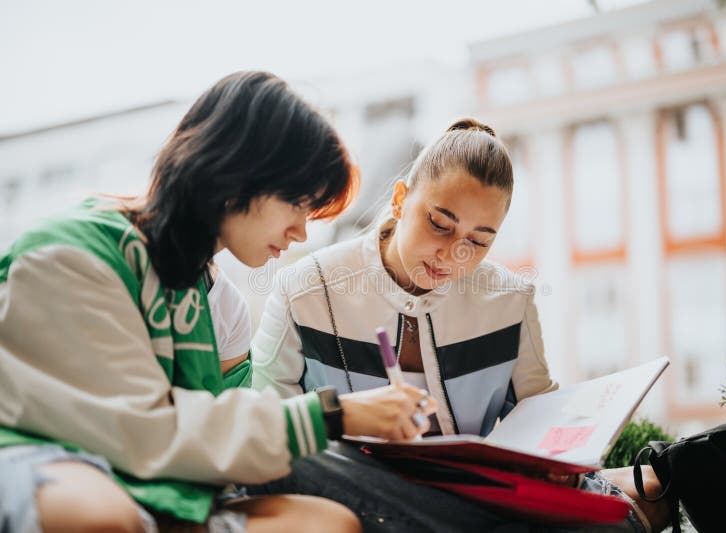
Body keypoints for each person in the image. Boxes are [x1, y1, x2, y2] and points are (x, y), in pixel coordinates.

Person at [0, 70, 436, 533]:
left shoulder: (214, 294)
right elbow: (139, 429)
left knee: (327, 523)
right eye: (297, 203)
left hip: (156, 475)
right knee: (97, 516)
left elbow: (220, 433)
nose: (302, 232)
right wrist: (333, 413)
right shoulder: (73, 253)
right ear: (235, 172)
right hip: (47, 452)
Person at [250, 119, 670, 532]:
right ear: (400, 200)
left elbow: (541, 413)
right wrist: (347, 419)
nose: (453, 255)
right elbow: (267, 430)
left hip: (470, 491)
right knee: (301, 457)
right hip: (353, 483)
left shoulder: (511, 301)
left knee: (615, 509)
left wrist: (562, 465)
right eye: (439, 224)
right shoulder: (306, 288)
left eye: (479, 240)